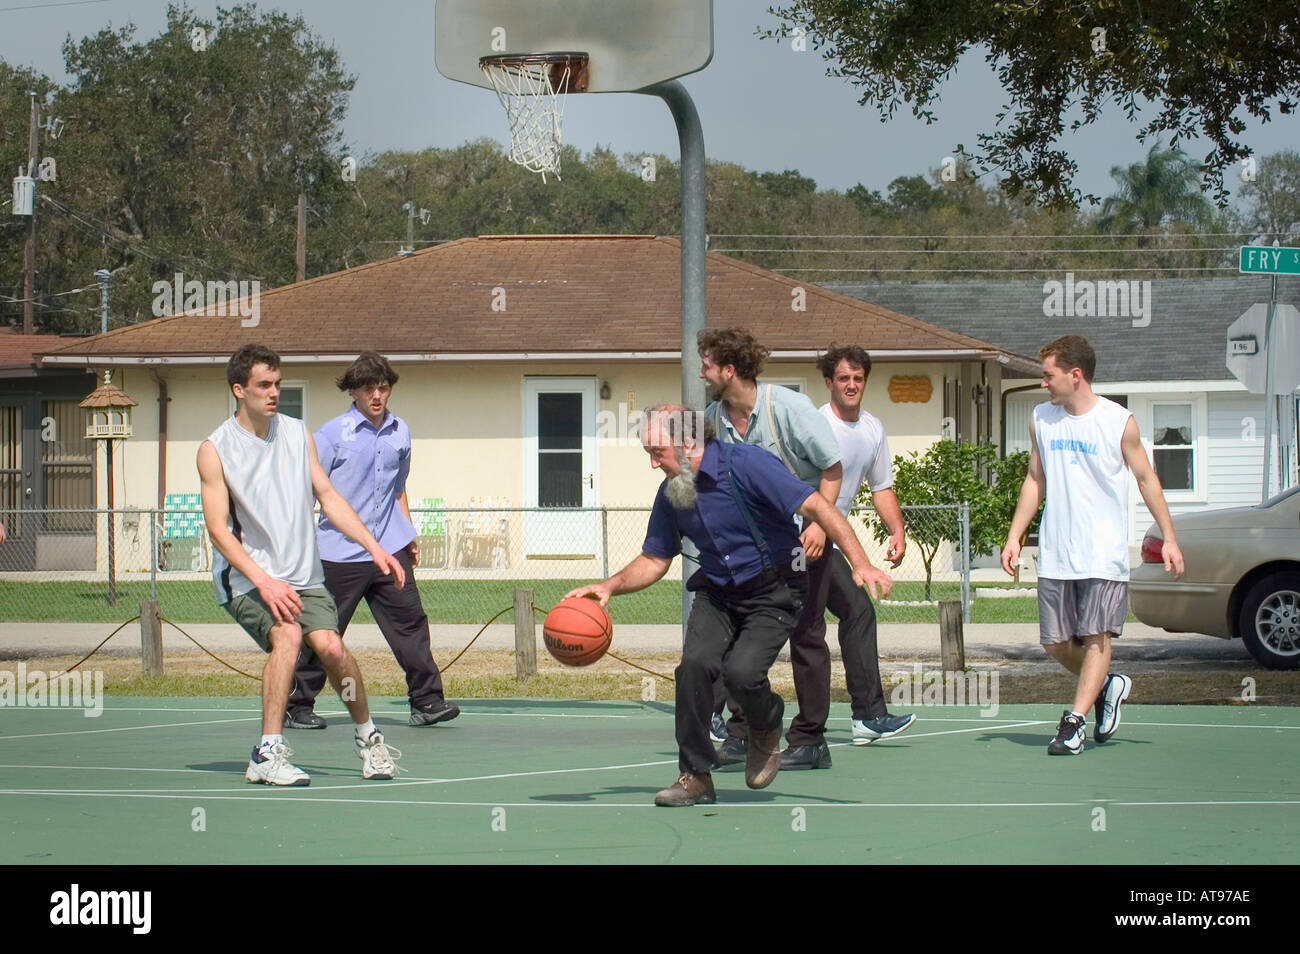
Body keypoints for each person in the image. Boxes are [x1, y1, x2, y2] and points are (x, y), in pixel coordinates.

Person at [565, 405, 891, 806]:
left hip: (775, 590)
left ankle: (766, 723)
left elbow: (818, 507)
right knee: (693, 669)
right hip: (718, 592)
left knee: (742, 673)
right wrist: (609, 586)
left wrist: (862, 563)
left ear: (689, 443)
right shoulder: (674, 490)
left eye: (657, 451)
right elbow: (655, 559)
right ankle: (696, 777)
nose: (653, 463)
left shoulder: (749, 465)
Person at [198, 344, 406, 785]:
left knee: (331, 648)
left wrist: (374, 545)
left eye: (277, 384)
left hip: (304, 577)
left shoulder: (297, 434)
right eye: (263, 385)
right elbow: (217, 529)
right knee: (289, 636)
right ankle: (267, 753)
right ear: (240, 390)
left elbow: (329, 498)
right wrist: (264, 581)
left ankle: (370, 740)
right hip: (246, 578)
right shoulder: (215, 450)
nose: (274, 392)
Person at [1001, 335, 1185, 755]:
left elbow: (1145, 479)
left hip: (1102, 552)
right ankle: (1108, 684)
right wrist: (1014, 536)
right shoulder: (1041, 419)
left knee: (1096, 636)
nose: (1043, 383)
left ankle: (1075, 722)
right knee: (1054, 642)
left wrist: (1169, 538)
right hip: (1055, 552)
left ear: (1075, 375)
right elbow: (1035, 479)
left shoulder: (1118, 421)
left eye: (1049, 375)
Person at [284, 351, 459, 731]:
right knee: (323, 632)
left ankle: (427, 701)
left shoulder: (401, 431)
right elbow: (310, 494)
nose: (377, 395)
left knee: (411, 625)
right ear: (354, 392)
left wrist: (408, 535)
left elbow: (399, 488)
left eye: (383, 387)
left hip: (390, 550)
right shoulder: (330, 435)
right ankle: (297, 705)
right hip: (338, 554)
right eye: (368, 388)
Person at [698, 328, 844, 770]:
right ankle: (743, 733)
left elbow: (832, 468)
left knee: (806, 631)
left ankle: (811, 738)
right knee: (738, 634)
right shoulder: (713, 418)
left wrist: (819, 525)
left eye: (707, 365)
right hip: (751, 539)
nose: (701, 373)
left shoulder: (788, 408)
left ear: (728, 369)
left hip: (803, 523)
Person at [816, 345, 916, 744]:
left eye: (858, 378)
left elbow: (881, 487)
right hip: (792, 537)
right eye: (843, 378)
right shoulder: (816, 425)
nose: (852, 385)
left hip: (829, 541)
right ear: (830, 383)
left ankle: (868, 717)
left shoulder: (873, 429)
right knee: (766, 626)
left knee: (858, 612)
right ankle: (714, 713)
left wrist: (898, 530)